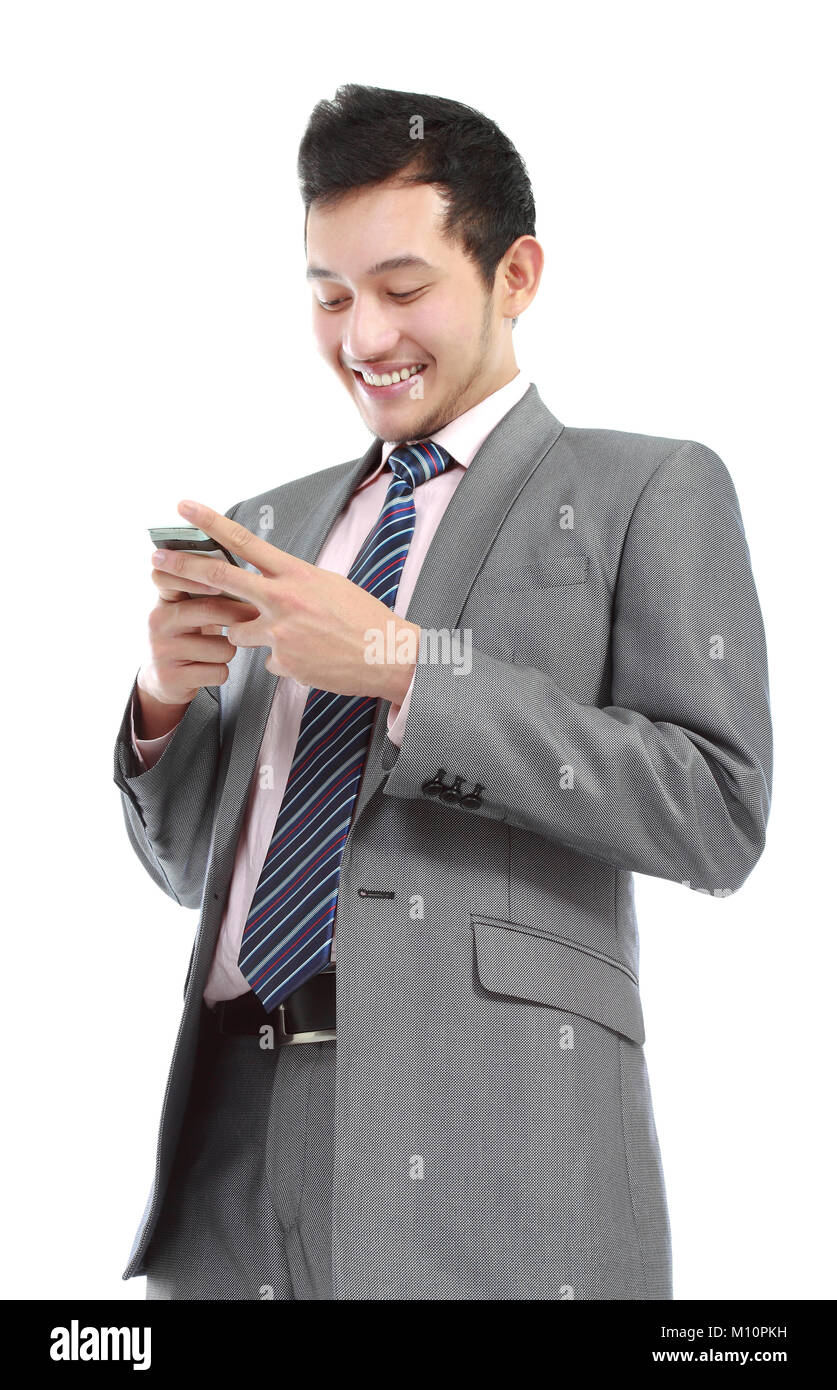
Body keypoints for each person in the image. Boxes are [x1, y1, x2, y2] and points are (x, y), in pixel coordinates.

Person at [113, 83, 772, 1300]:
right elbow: (202, 869)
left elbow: (719, 814)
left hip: (495, 1150)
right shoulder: (277, 523)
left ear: (516, 274)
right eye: (328, 295)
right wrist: (164, 706)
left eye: (403, 289)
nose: (364, 336)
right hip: (226, 1150)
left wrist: (409, 669)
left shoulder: (650, 490)